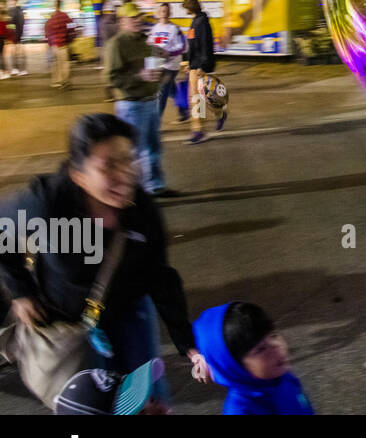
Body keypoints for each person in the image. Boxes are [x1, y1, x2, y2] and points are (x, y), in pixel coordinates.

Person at [0, 113, 210, 410]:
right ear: (79, 175)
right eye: (109, 165)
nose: (125, 174)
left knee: (150, 401)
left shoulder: (142, 211)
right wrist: (21, 292)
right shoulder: (47, 202)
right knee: (94, 405)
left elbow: (161, 277)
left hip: (128, 312)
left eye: (128, 159)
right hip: (67, 323)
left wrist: (188, 346)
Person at [192, 301, 315, 415]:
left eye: (273, 335)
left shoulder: (283, 377)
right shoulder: (242, 410)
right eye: (261, 349)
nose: (277, 346)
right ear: (234, 368)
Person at [106, 3, 166, 196]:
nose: (137, 21)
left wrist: (160, 65)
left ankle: (155, 186)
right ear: (122, 21)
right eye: (132, 18)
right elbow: (112, 78)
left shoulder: (144, 40)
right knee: (134, 152)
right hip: (131, 105)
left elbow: (154, 64)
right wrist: (140, 77)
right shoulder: (116, 44)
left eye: (138, 17)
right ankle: (136, 194)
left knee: (154, 148)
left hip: (150, 101)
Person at [182, 0, 225, 143]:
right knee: (200, 98)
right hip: (195, 66)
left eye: (185, 6)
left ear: (189, 6)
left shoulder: (202, 22)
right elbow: (193, 46)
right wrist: (189, 63)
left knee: (197, 99)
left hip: (200, 67)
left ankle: (198, 131)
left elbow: (206, 46)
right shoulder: (195, 21)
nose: (184, 9)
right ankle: (219, 113)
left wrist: (201, 66)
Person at [147, 2, 188, 122]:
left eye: (167, 11)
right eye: (162, 11)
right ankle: (183, 109)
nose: (164, 13)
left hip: (171, 65)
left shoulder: (175, 29)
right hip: (158, 64)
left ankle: (156, 123)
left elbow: (183, 47)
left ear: (170, 13)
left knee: (162, 93)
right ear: (158, 13)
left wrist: (169, 54)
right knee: (171, 91)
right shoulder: (155, 28)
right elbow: (150, 44)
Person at [44, 0, 74, 90]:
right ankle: (65, 81)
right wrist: (70, 38)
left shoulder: (51, 18)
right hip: (63, 43)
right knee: (64, 63)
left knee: (56, 64)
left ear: (54, 6)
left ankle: (56, 82)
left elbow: (47, 30)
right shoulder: (64, 16)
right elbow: (72, 26)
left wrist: (49, 42)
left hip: (54, 45)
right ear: (61, 5)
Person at [100, 0, 120, 101]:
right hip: (110, 49)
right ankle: (110, 94)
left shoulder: (104, 20)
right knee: (110, 71)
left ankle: (111, 94)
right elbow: (115, 33)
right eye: (114, 11)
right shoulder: (109, 22)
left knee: (110, 71)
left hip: (107, 48)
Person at [7, 0, 25, 76]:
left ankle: (16, 69)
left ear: (14, 1)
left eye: (11, 0)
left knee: (14, 52)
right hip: (19, 34)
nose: (10, 2)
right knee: (18, 52)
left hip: (15, 35)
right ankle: (22, 69)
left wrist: (11, 34)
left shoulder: (12, 10)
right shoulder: (20, 10)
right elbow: (22, 22)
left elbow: (10, 23)